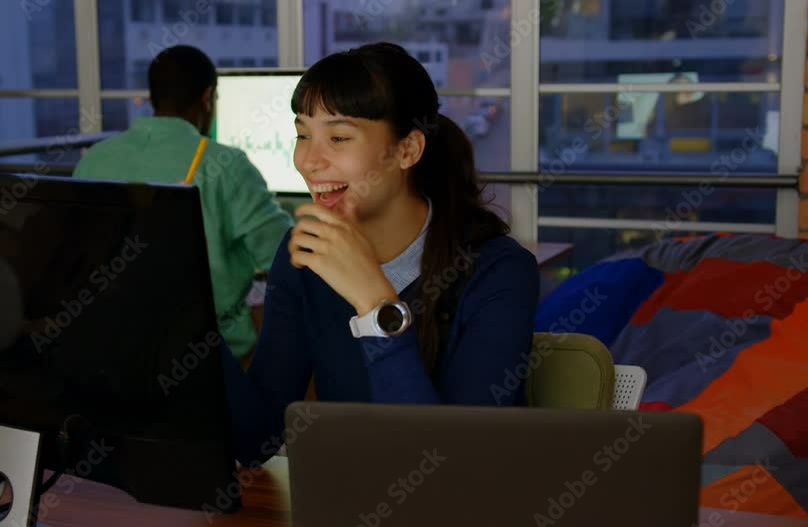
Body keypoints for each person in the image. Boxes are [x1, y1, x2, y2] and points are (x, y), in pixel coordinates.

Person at [222, 42, 539, 466]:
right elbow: (257, 438)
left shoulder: (499, 272)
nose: (309, 161)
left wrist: (374, 304)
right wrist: (188, 326)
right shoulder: (306, 255)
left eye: (337, 137)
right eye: (302, 135)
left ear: (407, 150)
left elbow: (449, 470)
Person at [73, 45, 292, 360]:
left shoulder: (93, 160)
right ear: (207, 98)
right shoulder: (224, 164)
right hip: (204, 357)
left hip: (109, 348)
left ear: (152, 98)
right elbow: (284, 256)